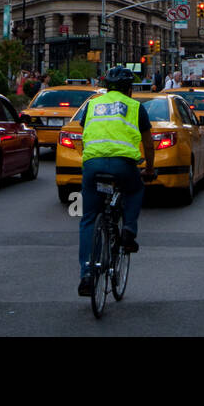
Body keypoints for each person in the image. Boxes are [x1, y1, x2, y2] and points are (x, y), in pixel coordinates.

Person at [76, 66, 156, 297]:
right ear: (130, 89)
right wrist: (149, 169)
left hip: (93, 165)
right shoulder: (135, 107)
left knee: (89, 218)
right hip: (123, 164)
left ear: (107, 87)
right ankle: (129, 229)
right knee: (135, 190)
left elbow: (85, 132)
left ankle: (87, 274)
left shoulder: (92, 105)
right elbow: (148, 144)